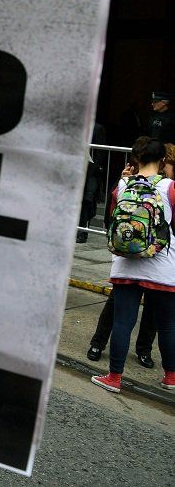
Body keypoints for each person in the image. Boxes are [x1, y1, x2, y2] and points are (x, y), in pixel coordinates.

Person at [92, 137, 175, 393]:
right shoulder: (171, 187)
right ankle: (171, 378)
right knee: (168, 325)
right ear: (163, 160)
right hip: (162, 266)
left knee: (122, 322)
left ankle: (114, 378)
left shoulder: (123, 184)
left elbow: (111, 220)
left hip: (125, 265)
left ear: (135, 158)